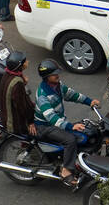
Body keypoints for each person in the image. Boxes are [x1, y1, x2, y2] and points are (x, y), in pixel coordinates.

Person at [34, 58, 101, 186]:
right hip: (45, 126)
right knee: (70, 140)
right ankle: (66, 170)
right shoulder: (43, 95)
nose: (57, 75)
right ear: (47, 77)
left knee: (84, 131)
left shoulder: (57, 85)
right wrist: (71, 126)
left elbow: (72, 95)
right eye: (54, 74)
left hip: (58, 122)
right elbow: (51, 118)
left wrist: (89, 101)